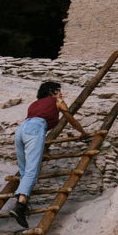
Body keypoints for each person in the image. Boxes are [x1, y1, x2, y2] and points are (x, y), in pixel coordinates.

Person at [10, 81, 88, 227]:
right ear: (52, 92)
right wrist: (83, 132)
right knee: (32, 170)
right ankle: (20, 207)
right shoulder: (57, 101)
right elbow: (70, 118)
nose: (61, 93)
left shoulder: (34, 104)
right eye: (58, 90)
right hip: (35, 129)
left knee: (24, 169)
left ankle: (22, 202)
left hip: (20, 130)